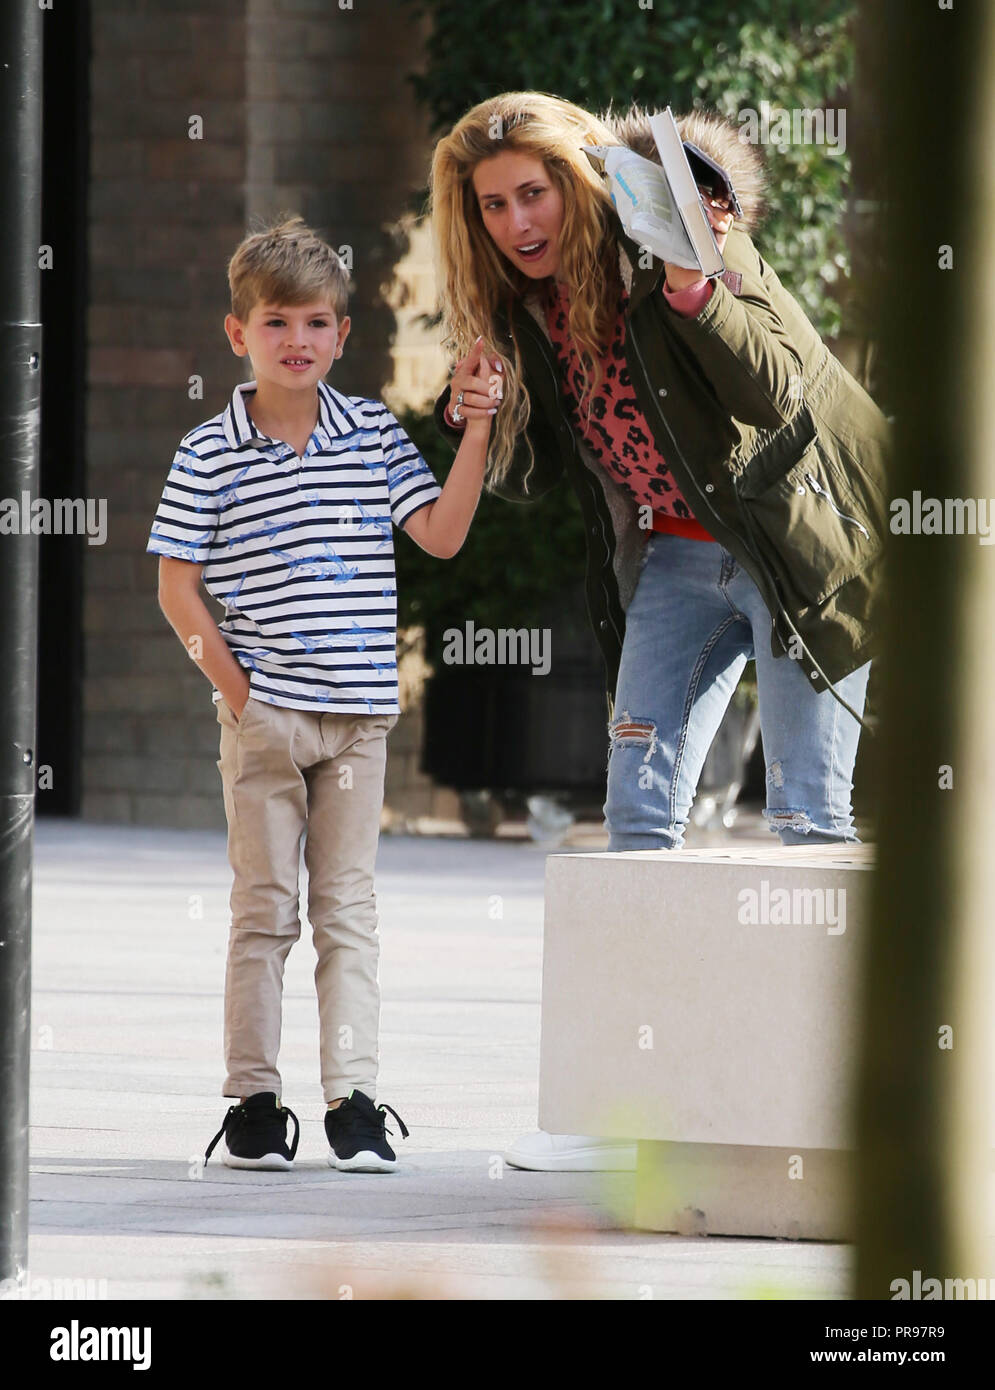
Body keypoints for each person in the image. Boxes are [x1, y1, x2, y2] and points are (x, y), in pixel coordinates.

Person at [429, 94, 890, 1172]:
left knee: (809, 823)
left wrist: (697, 288)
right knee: (636, 817)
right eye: (490, 204)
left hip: (796, 547)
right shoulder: (525, 316)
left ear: (577, 183)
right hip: (677, 562)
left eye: (532, 193)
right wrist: (481, 412)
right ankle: (630, 1112)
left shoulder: (679, 238)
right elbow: (540, 477)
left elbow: (774, 388)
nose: (514, 221)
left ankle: (834, 1108)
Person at [148, 218, 500, 1171]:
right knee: (263, 911)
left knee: (347, 910)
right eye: (275, 323)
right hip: (264, 721)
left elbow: (438, 535)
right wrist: (238, 692)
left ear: (342, 336)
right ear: (238, 334)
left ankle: (354, 1099)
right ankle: (254, 1103)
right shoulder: (208, 450)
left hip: (354, 727)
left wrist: (479, 434)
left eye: (314, 323)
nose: (295, 340)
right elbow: (177, 585)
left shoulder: (373, 432)